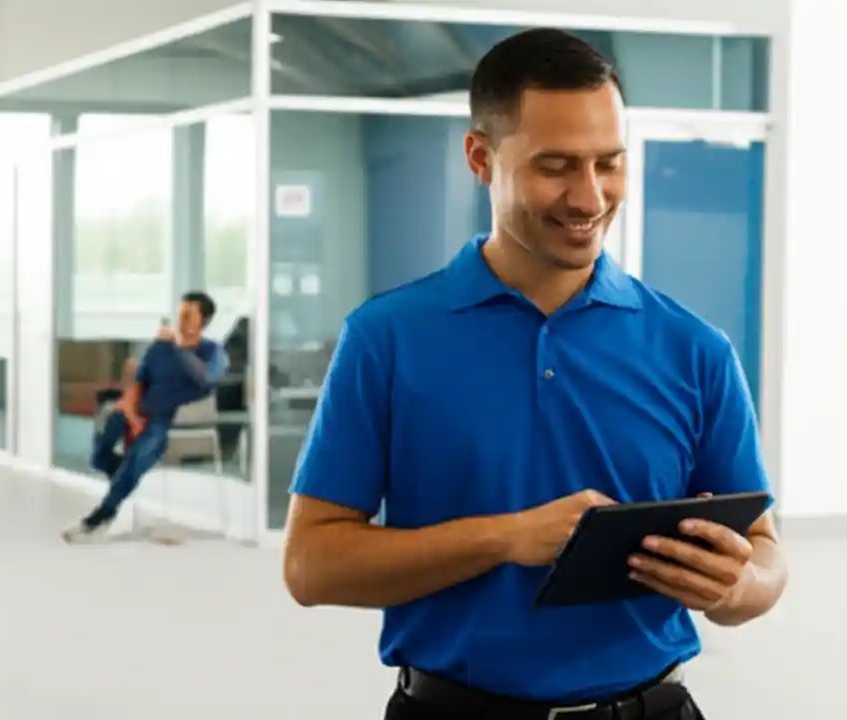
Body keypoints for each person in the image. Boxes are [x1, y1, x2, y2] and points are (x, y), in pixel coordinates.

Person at [283, 28, 787, 720]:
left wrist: (736, 587)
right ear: (479, 157)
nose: (589, 197)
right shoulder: (387, 338)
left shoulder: (696, 349)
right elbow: (310, 566)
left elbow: (765, 555)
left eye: (609, 163)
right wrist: (505, 537)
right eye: (555, 166)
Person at [62, 291, 228, 543]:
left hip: (172, 418)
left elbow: (205, 378)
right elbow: (138, 382)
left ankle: (98, 518)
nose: (181, 320)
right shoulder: (160, 348)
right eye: (180, 314)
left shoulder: (213, 352)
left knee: (139, 456)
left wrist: (178, 348)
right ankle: (125, 478)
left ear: (203, 321)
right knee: (100, 454)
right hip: (140, 411)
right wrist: (130, 411)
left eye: (188, 315)